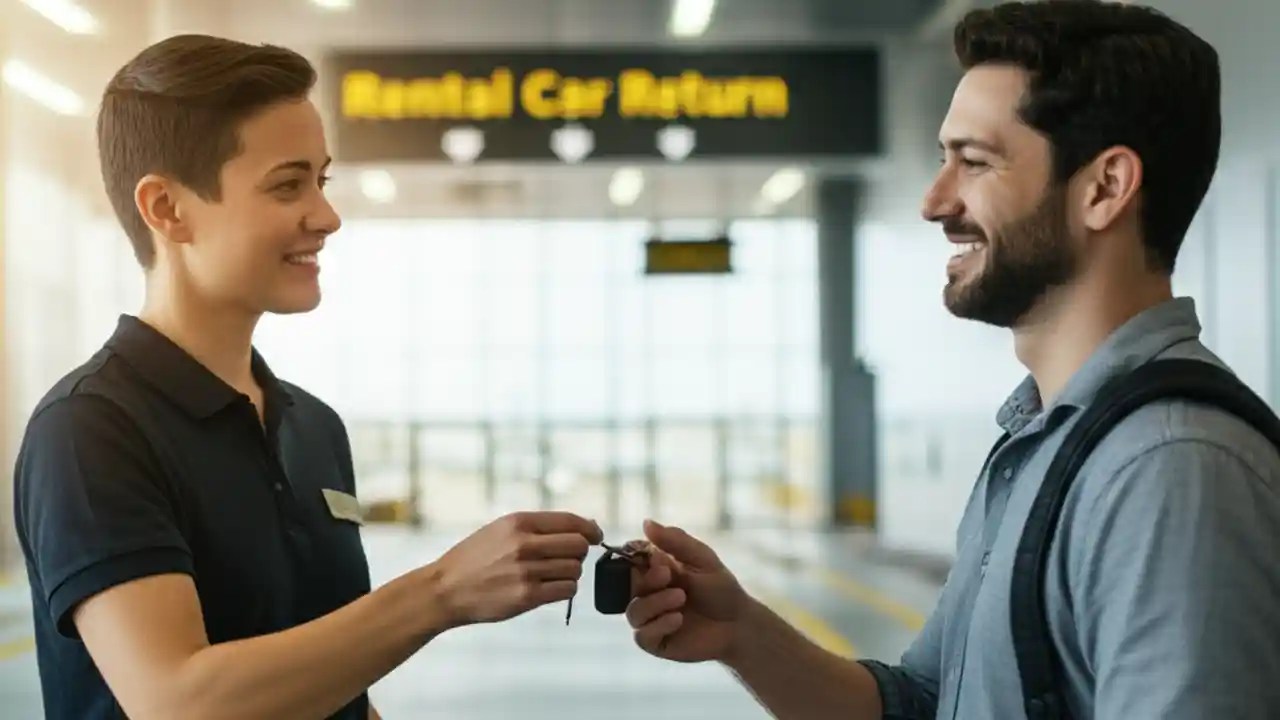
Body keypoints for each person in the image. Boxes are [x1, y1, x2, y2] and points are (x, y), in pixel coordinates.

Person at [624, 1, 1280, 718]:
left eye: (974, 162)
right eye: (943, 161)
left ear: (1105, 188)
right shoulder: (1045, 443)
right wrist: (742, 634)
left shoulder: (1168, 469)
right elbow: (925, 703)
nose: (935, 202)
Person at [11, 34, 602, 720]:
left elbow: (336, 692)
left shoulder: (311, 426)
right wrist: (440, 592)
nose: (327, 217)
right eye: (287, 185)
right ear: (167, 209)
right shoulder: (90, 430)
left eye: (321, 181)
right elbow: (178, 703)